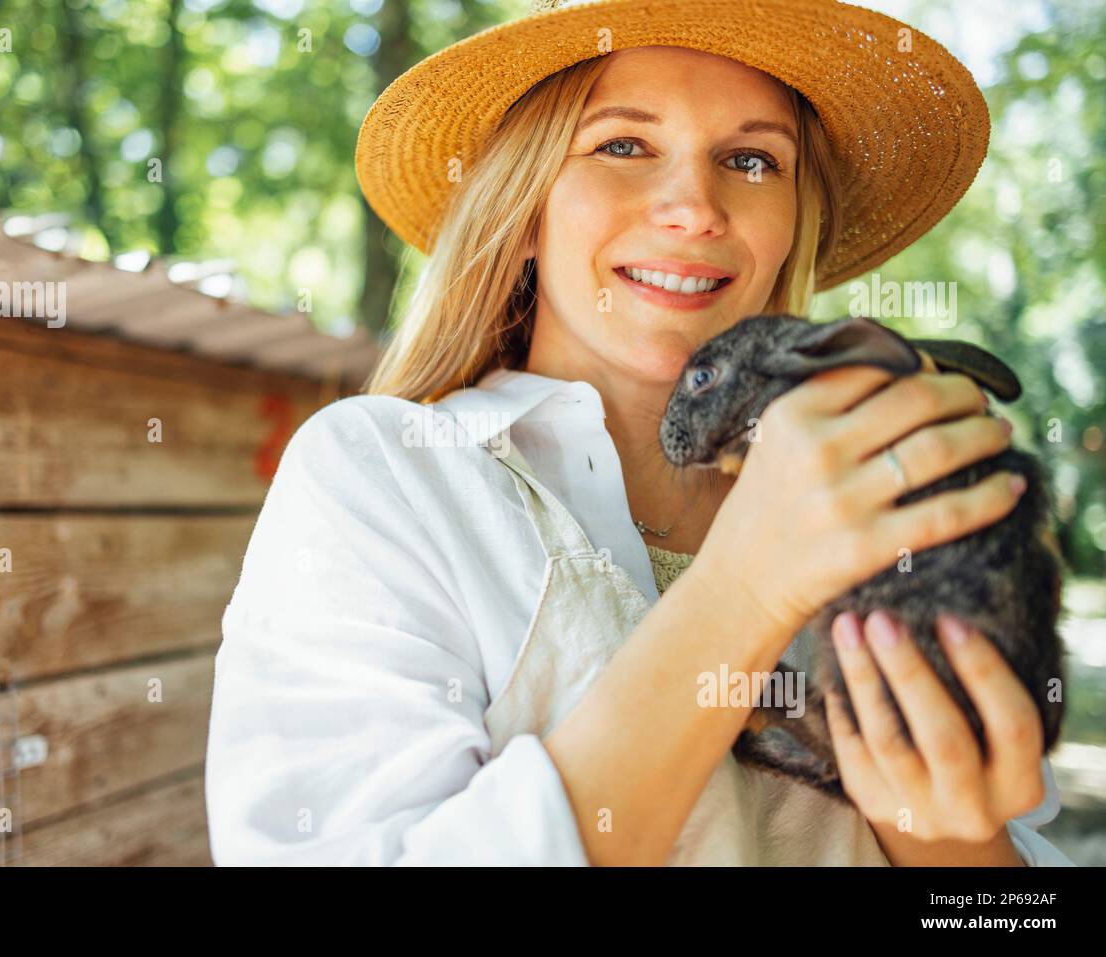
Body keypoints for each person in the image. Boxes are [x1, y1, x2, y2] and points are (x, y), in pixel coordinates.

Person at [204, 0, 1075, 866]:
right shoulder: (382, 475)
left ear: (793, 224)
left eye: (750, 159)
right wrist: (743, 592)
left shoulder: (885, 498)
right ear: (525, 202)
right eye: (623, 144)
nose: (696, 207)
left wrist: (945, 833)